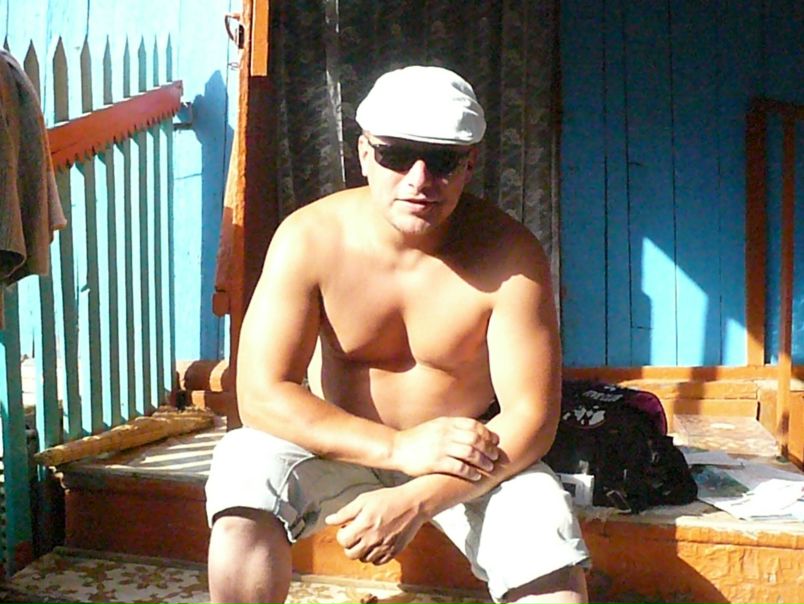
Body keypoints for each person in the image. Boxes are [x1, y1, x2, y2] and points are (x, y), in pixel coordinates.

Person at [205, 65, 590, 604]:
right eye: (395, 155)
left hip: (463, 461)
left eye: (442, 160)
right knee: (244, 468)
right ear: (364, 153)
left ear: (470, 163)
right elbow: (262, 395)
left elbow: (532, 418)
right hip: (342, 446)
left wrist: (419, 498)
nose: (419, 179)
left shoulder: (510, 256)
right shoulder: (310, 237)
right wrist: (399, 448)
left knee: (545, 529)